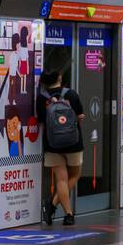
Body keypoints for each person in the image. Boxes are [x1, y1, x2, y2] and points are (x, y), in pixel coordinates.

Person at [36, 71, 85, 226]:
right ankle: (54, 206)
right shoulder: (71, 94)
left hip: (52, 144)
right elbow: (80, 116)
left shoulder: (41, 98)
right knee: (75, 175)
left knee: (61, 179)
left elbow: (42, 121)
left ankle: (67, 214)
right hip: (74, 143)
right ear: (59, 78)